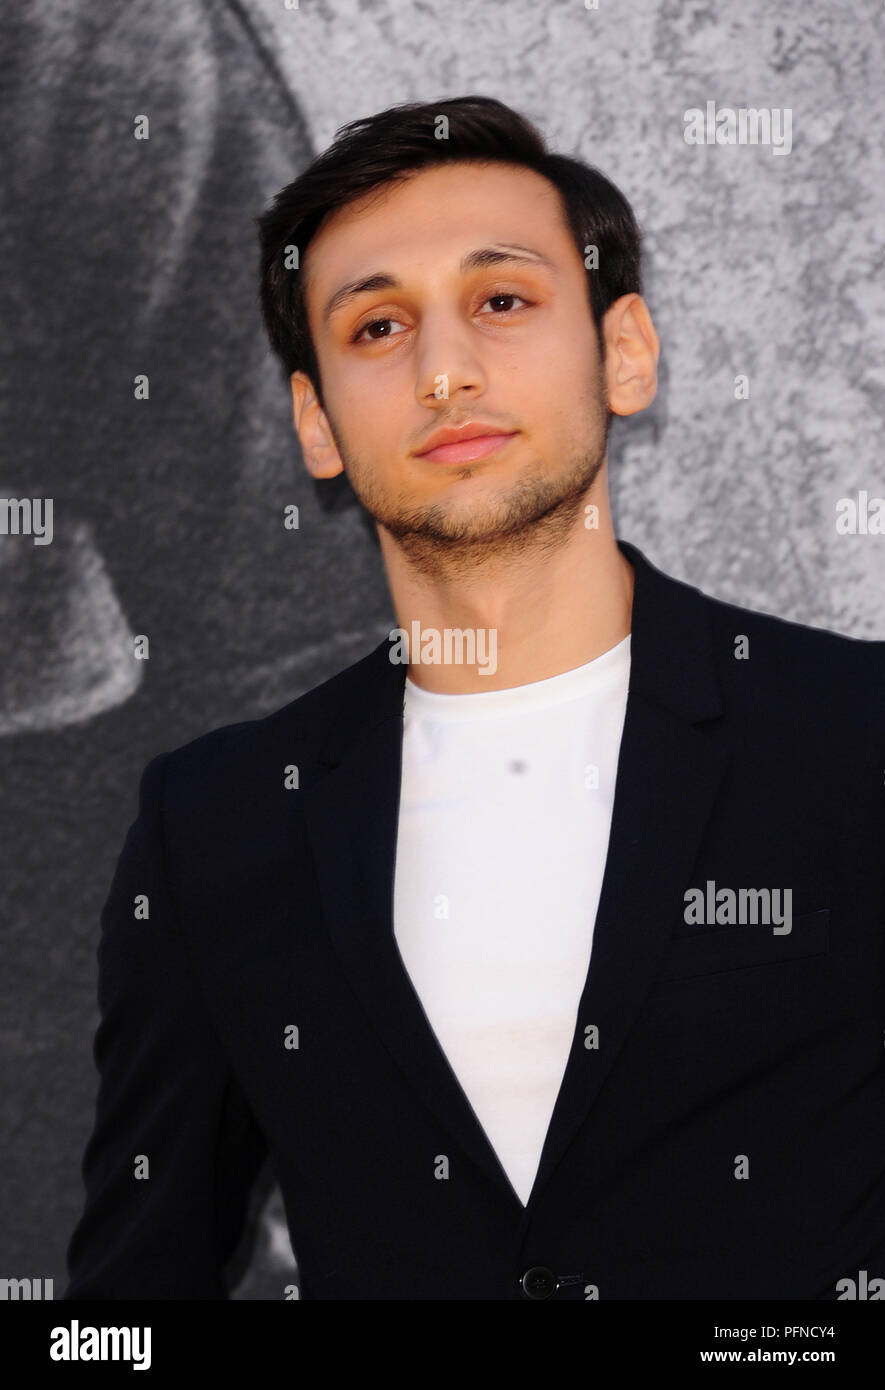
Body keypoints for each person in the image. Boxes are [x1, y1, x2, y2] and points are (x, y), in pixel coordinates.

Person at [64, 95, 885, 1301]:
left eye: (502, 301)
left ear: (624, 352)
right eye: (378, 326)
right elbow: (126, 1305)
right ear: (315, 425)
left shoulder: (855, 739)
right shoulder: (215, 825)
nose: (444, 372)